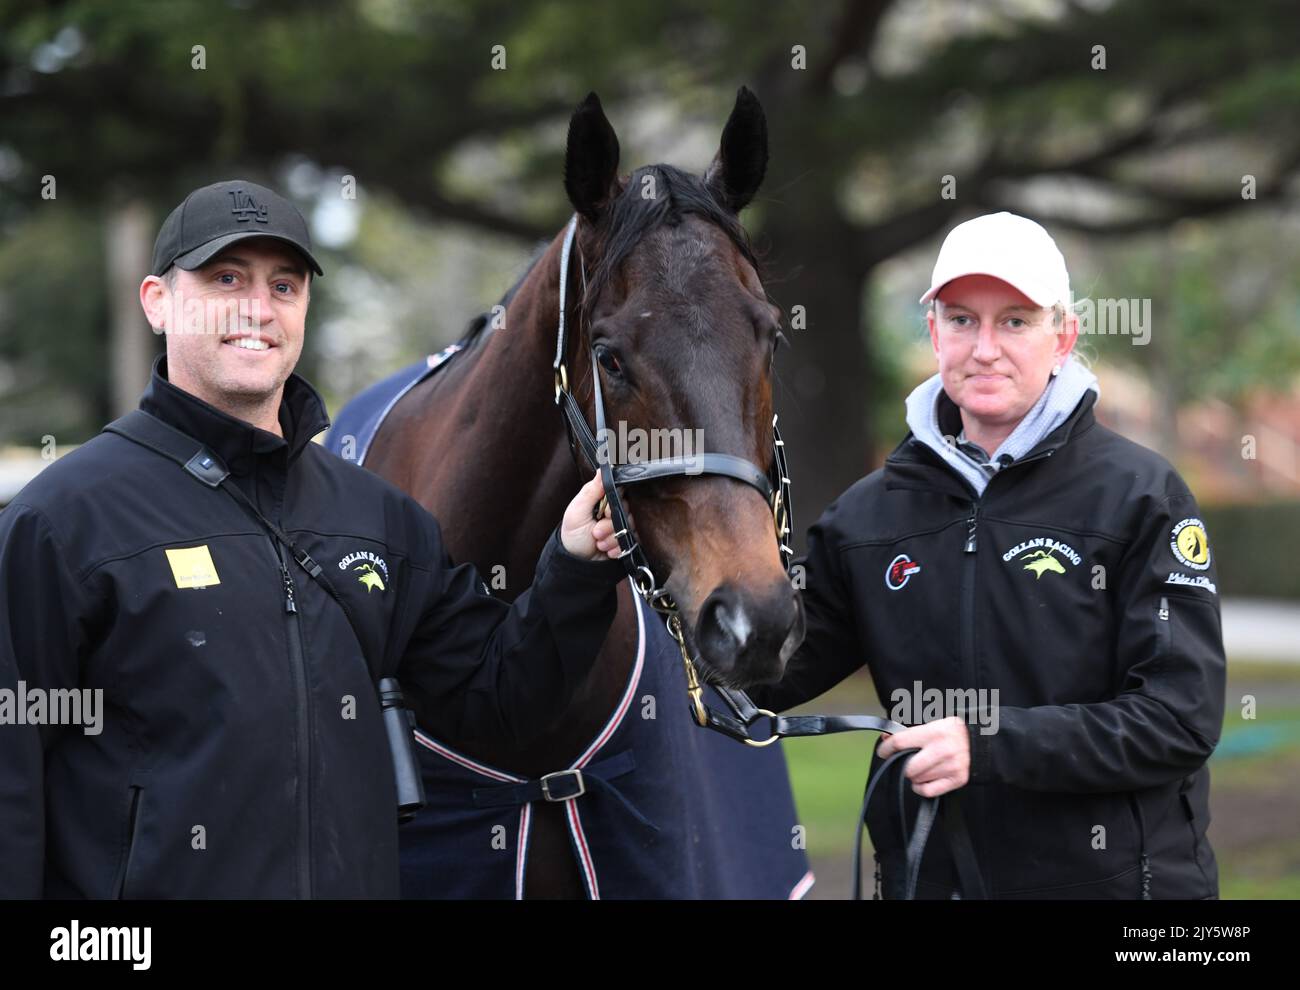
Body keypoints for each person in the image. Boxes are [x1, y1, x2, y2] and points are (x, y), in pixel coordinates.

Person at [0, 179, 629, 898]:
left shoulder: (379, 520)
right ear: (157, 302)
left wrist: (574, 567)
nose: (257, 309)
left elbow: (497, 699)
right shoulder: (62, 520)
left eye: (285, 285)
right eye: (225, 278)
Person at [749, 212, 1226, 899]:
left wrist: (987, 744)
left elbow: (1179, 719)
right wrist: (606, 564)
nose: (985, 348)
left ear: (1064, 336)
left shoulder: (1143, 497)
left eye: (1015, 321)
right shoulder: (867, 516)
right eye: (962, 320)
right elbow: (757, 674)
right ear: (934, 332)